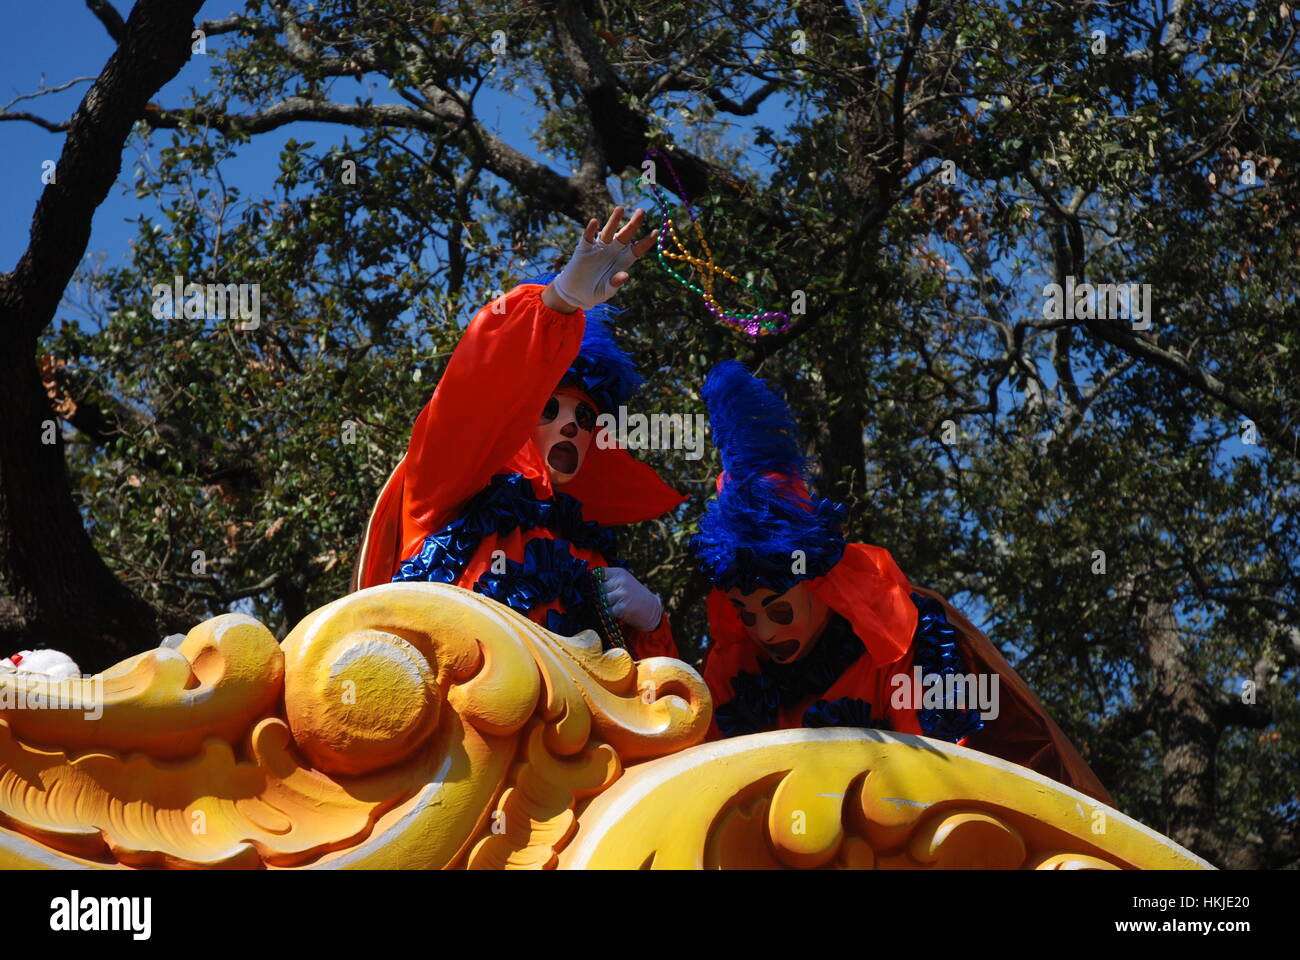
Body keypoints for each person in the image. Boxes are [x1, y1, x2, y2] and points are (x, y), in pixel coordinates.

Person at [691, 360, 1112, 803]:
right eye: (746, 613)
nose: (764, 631)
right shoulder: (734, 664)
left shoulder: (907, 634)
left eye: (778, 609)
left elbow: (944, 773)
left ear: (817, 585)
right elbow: (697, 775)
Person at [353, 207, 684, 659]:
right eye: (549, 409)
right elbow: (473, 393)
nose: (571, 425)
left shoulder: (593, 561)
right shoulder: (448, 492)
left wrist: (651, 622)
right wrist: (560, 302)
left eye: (586, 420)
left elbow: (655, 705)